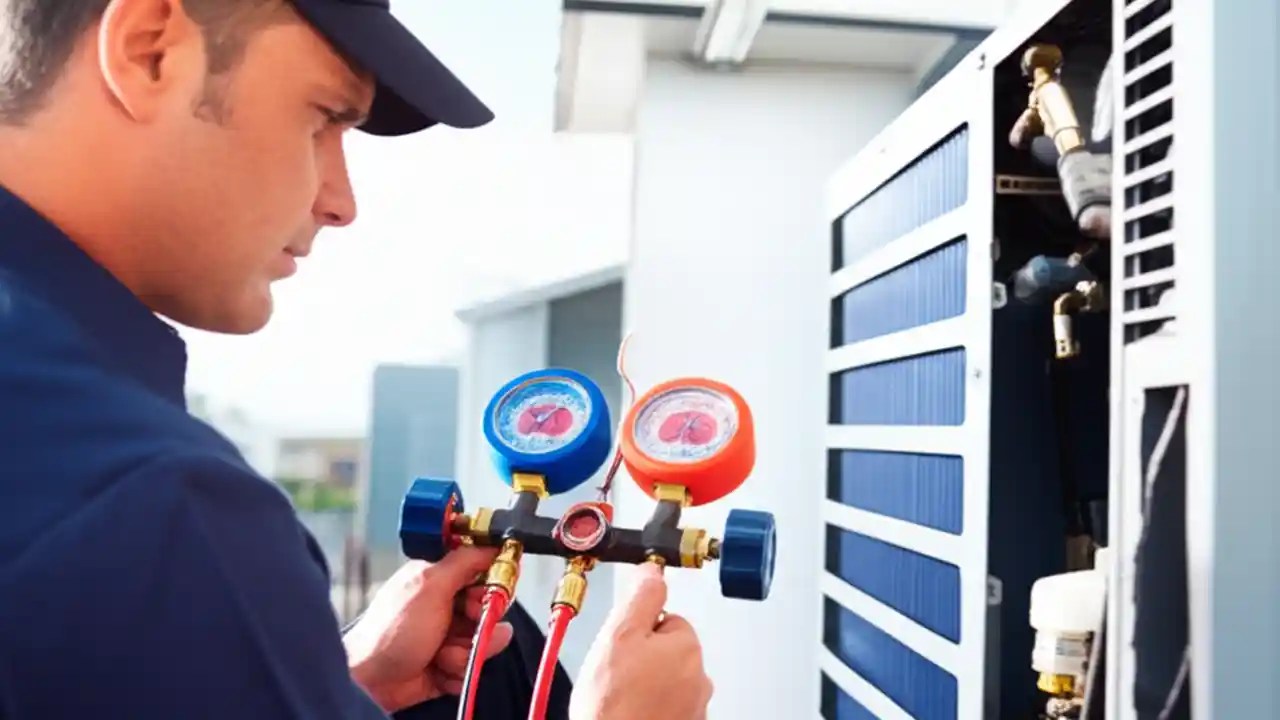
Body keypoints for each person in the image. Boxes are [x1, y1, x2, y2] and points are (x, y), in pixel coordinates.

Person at [0, 1, 714, 718]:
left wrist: (333, 682)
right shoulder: (159, 508)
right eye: (322, 118)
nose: (341, 202)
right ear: (150, 50)